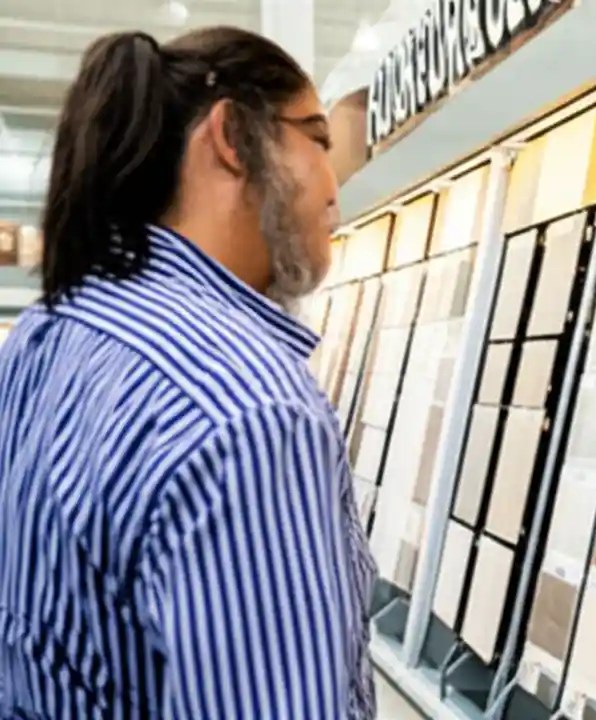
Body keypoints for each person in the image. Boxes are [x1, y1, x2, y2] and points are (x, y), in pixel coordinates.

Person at [0, 28, 376, 719]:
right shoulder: (251, 411)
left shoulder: (44, 339)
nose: (334, 181)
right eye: (318, 140)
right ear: (231, 137)